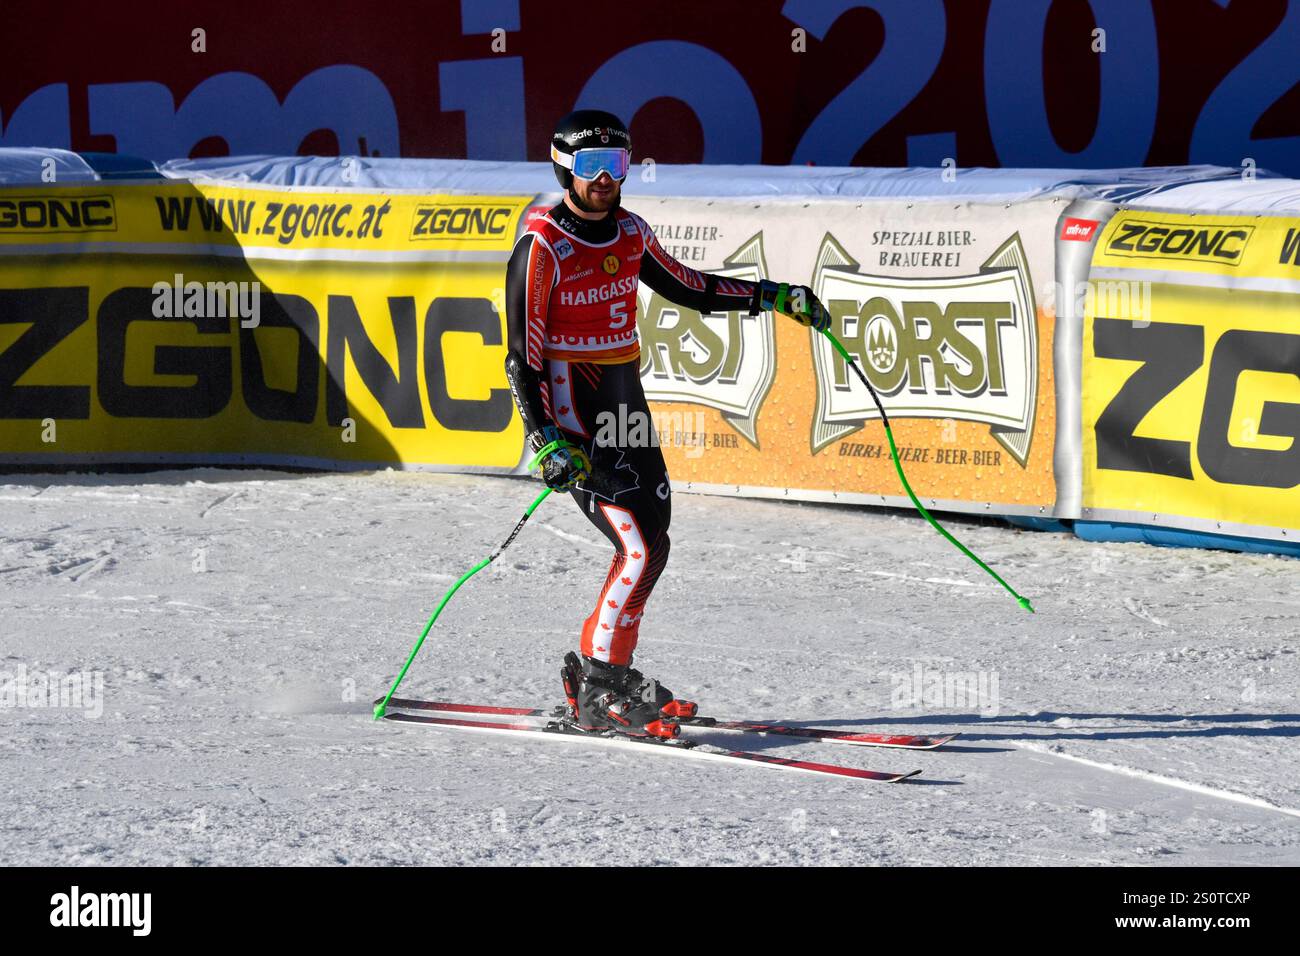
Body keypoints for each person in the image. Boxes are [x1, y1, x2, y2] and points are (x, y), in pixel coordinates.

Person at [503, 109, 830, 739]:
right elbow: (523, 356)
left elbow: (691, 288)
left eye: (617, 165)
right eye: (591, 167)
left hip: (627, 404)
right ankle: (598, 686)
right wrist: (544, 438)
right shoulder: (543, 243)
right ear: (563, 168)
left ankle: (612, 671)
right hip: (574, 414)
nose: (605, 178)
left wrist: (774, 296)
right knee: (638, 544)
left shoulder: (629, 232)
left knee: (656, 538)